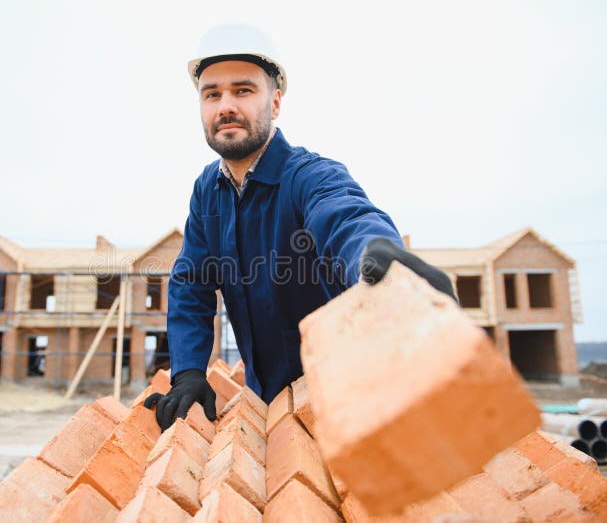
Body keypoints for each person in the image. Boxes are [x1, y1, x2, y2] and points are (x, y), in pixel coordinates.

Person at [145, 24, 455, 430]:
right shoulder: (208, 190)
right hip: (269, 404)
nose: (225, 106)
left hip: (350, 403)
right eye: (212, 94)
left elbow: (345, 216)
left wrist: (378, 260)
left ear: (274, 103)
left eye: (243, 90)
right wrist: (188, 372)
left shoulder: (309, 176)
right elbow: (191, 282)